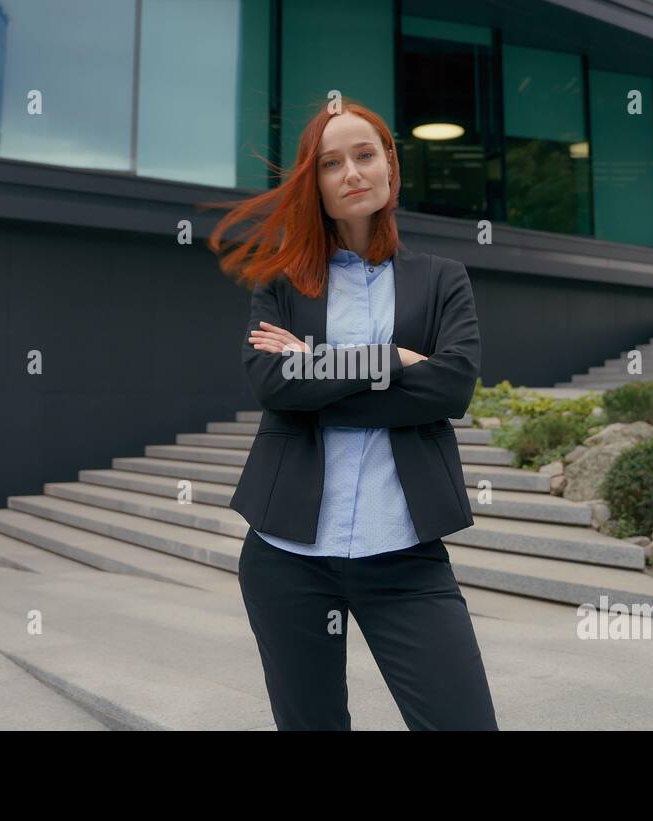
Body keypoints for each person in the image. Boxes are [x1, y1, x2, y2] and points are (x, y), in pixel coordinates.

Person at [201, 99, 497, 731]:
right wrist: (388, 359)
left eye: (365, 155)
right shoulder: (282, 282)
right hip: (286, 556)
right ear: (317, 184)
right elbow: (274, 385)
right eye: (331, 163)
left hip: (405, 556)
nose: (351, 172)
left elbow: (450, 388)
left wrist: (320, 365)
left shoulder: (443, 278)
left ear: (390, 165)